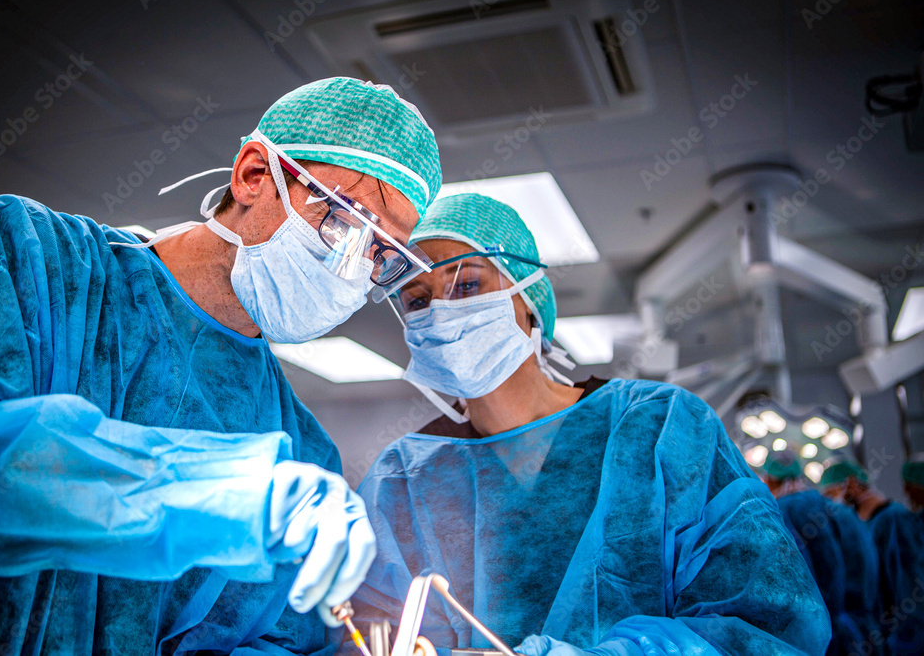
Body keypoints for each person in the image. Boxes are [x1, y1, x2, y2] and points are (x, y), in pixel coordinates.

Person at [0, 77, 442, 655]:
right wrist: (209, 493)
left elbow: (269, 640)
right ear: (253, 175)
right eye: (347, 222)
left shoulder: (298, 448)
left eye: (381, 253)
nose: (354, 268)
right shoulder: (36, 261)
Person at [349, 193, 830, 656]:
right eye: (416, 300)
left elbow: (769, 624)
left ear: (528, 296)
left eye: (468, 285)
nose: (441, 312)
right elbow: (361, 633)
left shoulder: (660, 428)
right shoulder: (402, 481)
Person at [763, 450, 881, 656]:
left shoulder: (778, 515)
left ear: (770, 480)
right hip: (862, 636)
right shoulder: (843, 513)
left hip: (818, 641)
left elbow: (787, 591)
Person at [821, 458, 924, 653]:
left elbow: (909, 588)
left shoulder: (894, 519)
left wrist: (902, 642)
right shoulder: (864, 524)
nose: (833, 504)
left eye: (831, 494)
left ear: (851, 484)